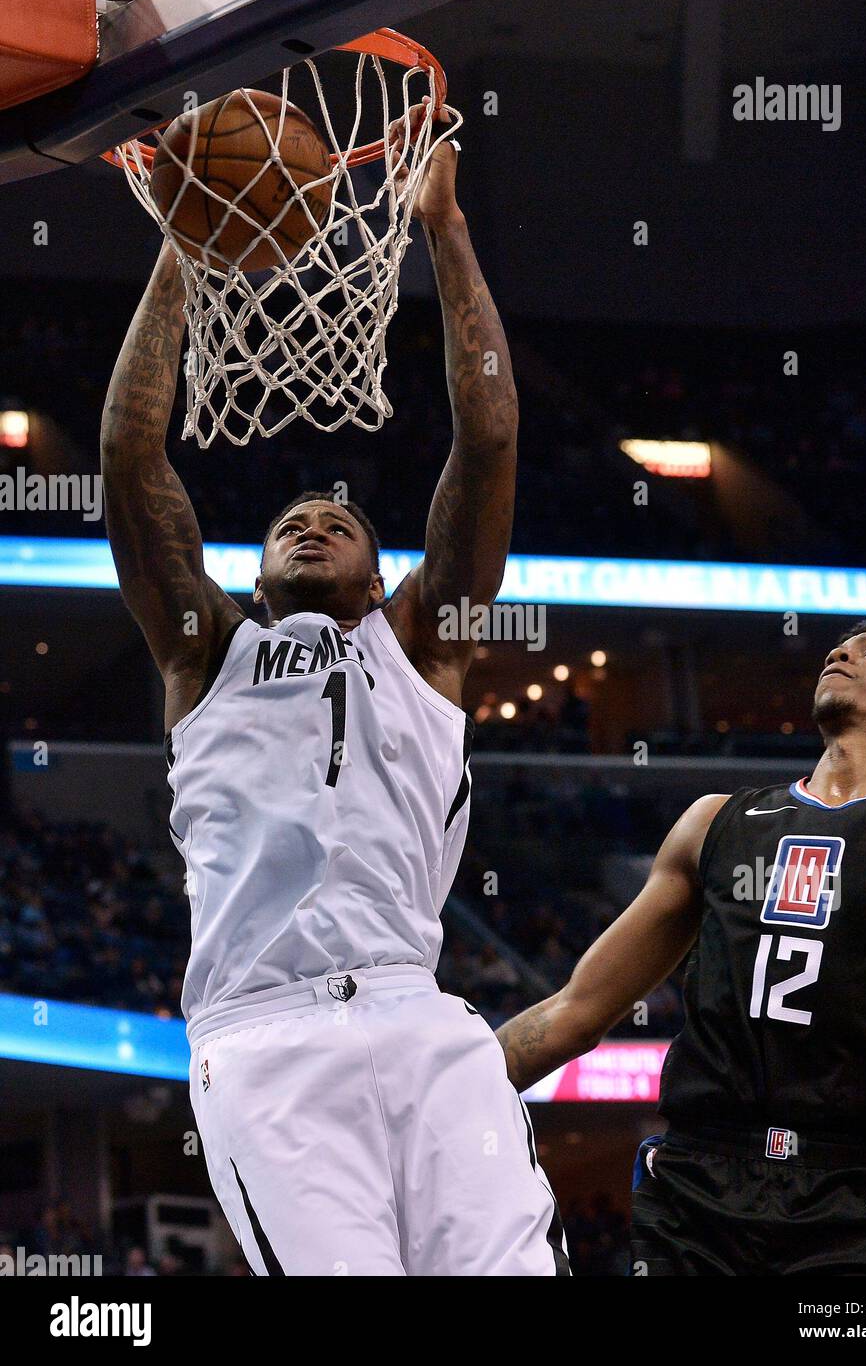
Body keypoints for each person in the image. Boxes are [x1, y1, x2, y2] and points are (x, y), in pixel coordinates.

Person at [101, 104, 567, 1277]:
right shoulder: (204, 651)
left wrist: (447, 227)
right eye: (292, 522)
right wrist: (188, 232)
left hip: (420, 1018)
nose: (315, 521)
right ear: (253, 574)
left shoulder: (424, 644)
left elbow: (492, 433)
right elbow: (128, 453)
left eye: (341, 520)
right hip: (267, 1037)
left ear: (380, 569)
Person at [496, 618, 866, 1275]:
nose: (841, 652)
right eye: (842, 645)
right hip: (695, 1183)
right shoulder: (714, 820)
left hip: (847, 1193)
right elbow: (576, 1010)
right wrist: (429, 1097)